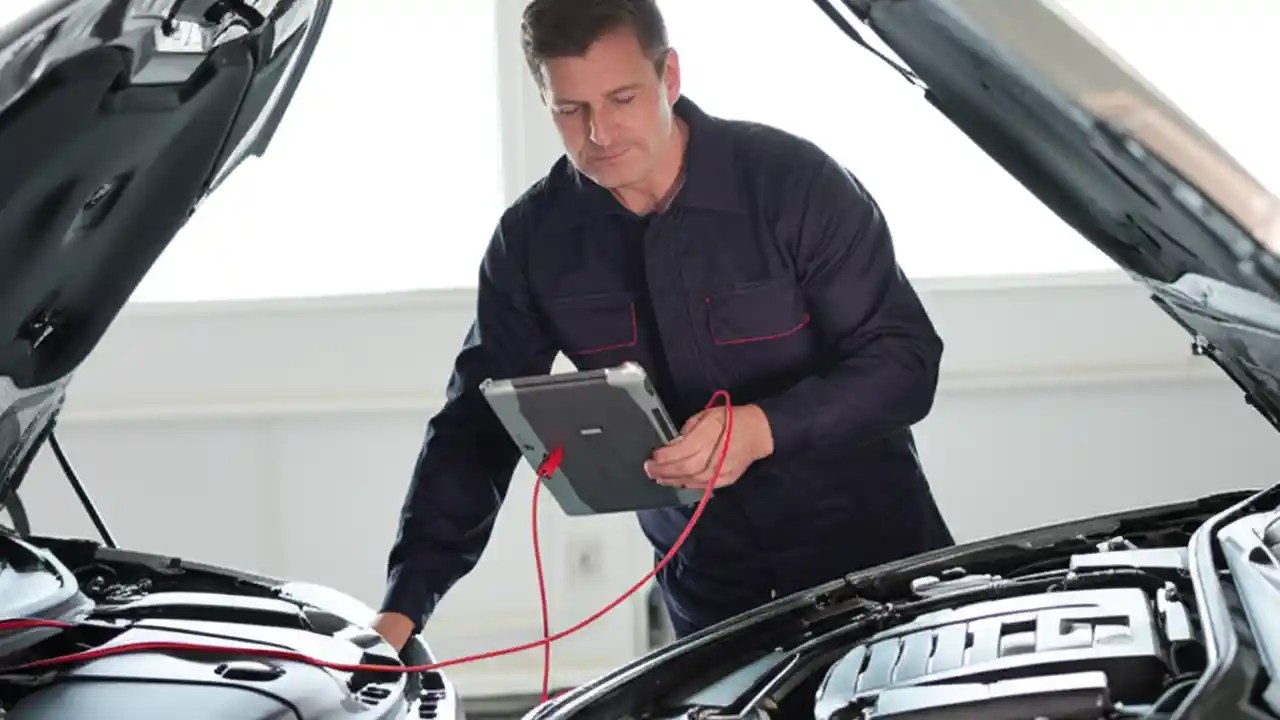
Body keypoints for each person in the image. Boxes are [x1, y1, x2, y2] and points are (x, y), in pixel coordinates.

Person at [371, 0, 954, 650]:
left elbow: (905, 362)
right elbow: (473, 432)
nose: (600, 133)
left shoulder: (793, 185)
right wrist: (401, 612)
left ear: (668, 76)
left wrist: (763, 429)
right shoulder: (533, 244)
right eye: (571, 109)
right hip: (710, 596)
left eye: (621, 98)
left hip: (876, 565)